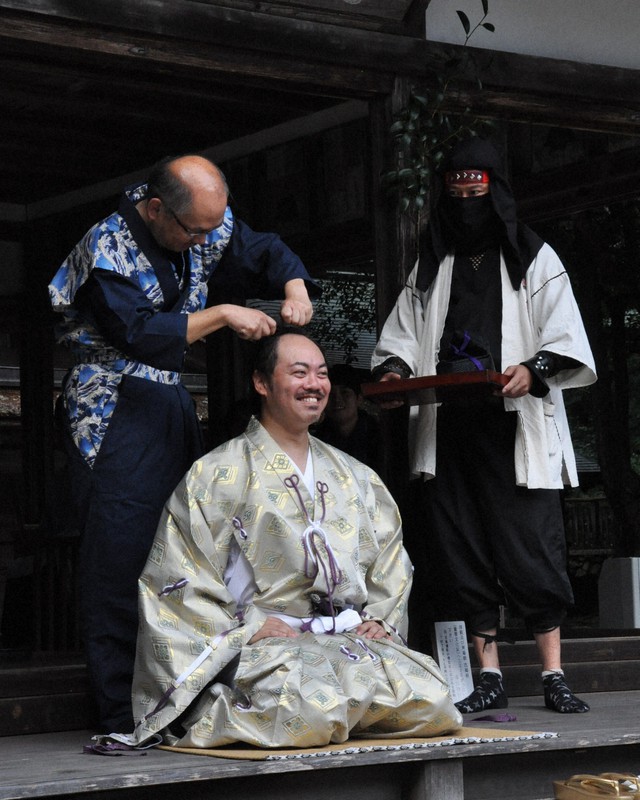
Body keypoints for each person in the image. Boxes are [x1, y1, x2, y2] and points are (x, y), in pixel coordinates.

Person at [48, 154, 318, 733]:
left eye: (210, 227)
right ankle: (122, 709)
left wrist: (293, 286)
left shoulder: (203, 221)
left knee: (188, 552)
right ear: (155, 209)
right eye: (194, 230)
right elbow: (141, 334)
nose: (204, 240)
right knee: (122, 554)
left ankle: (179, 692)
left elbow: (259, 246)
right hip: (115, 403)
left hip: (170, 402)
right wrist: (222, 312)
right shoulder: (108, 248)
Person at [112, 331, 461, 749]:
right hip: (267, 645)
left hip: (346, 640)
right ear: (262, 383)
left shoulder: (356, 476)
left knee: (434, 700)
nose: (315, 384)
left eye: (322, 373)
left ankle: (347, 707)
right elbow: (177, 579)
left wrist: (380, 619)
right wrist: (247, 629)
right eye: (299, 372)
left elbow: (389, 561)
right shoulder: (217, 474)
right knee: (309, 709)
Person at [371, 137, 597, 714]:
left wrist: (533, 368)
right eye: (456, 189)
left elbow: (564, 336)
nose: (466, 198)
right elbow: (401, 335)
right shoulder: (432, 262)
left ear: (495, 191)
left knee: (531, 549)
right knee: (461, 548)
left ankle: (553, 672)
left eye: (476, 188)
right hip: (448, 430)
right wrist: (395, 373)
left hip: (515, 427)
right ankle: (488, 673)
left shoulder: (533, 255)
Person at [314, 363, 380, 470]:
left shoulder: (377, 436)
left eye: (345, 392)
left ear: (359, 399)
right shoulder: (317, 440)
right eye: (331, 394)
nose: (337, 399)